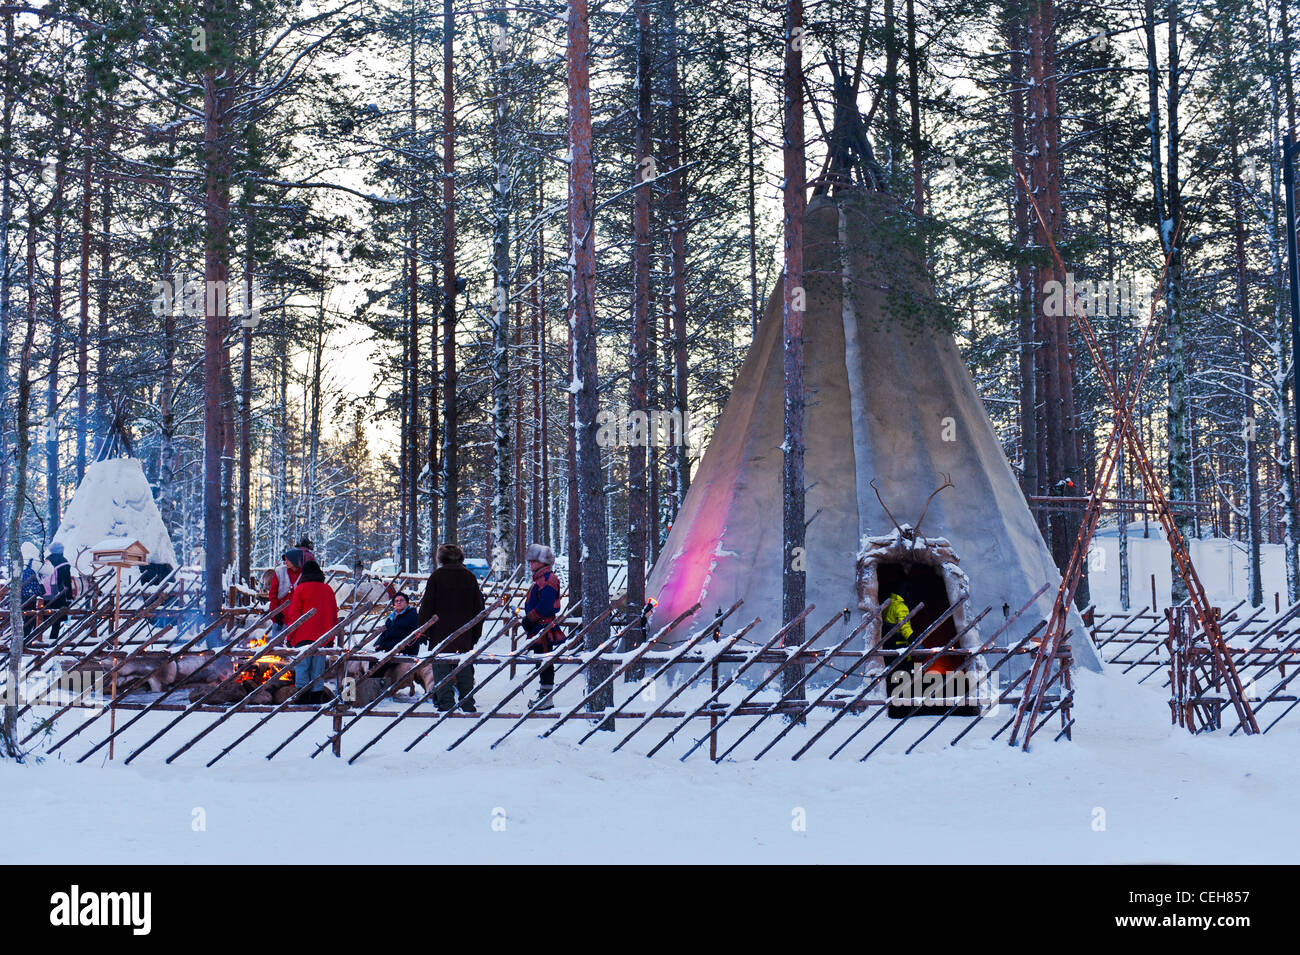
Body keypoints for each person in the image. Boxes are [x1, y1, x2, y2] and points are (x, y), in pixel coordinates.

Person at [417, 543, 485, 712]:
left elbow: (427, 606)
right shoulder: (469, 577)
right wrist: (474, 633)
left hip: (440, 633)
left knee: (441, 669)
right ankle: (467, 703)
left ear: (441, 558)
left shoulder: (437, 577)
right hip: (464, 634)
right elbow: (479, 609)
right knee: (464, 667)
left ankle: (445, 703)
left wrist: (423, 631)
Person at [283, 559, 339, 704]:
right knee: (318, 670)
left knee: (302, 668)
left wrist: (290, 636)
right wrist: (331, 637)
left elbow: (294, 615)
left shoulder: (301, 589)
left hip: (302, 635)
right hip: (323, 636)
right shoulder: (327, 589)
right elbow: (333, 614)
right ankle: (316, 700)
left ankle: (302, 699)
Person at [520, 543, 564, 709]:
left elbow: (545, 606)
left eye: (533, 561)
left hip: (543, 627)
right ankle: (545, 693)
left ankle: (547, 696)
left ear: (543, 562)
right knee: (542, 660)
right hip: (539, 626)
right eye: (530, 561)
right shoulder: (540, 578)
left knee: (545, 661)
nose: (530, 564)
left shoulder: (548, 579)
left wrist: (530, 618)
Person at [42, 541, 74, 645]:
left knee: (40, 616)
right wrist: (69, 597)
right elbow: (67, 581)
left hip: (44, 594)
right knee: (57, 618)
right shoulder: (64, 562)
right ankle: (53, 639)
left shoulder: (47, 560)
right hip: (58, 595)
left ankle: (36, 637)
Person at [268, 548, 304, 633]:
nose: (285, 562)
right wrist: (276, 613)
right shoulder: (280, 572)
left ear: (295, 560)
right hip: (281, 616)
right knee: (276, 643)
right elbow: (273, 594)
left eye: (288, 560)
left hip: (297, 617)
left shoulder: (304, 573)